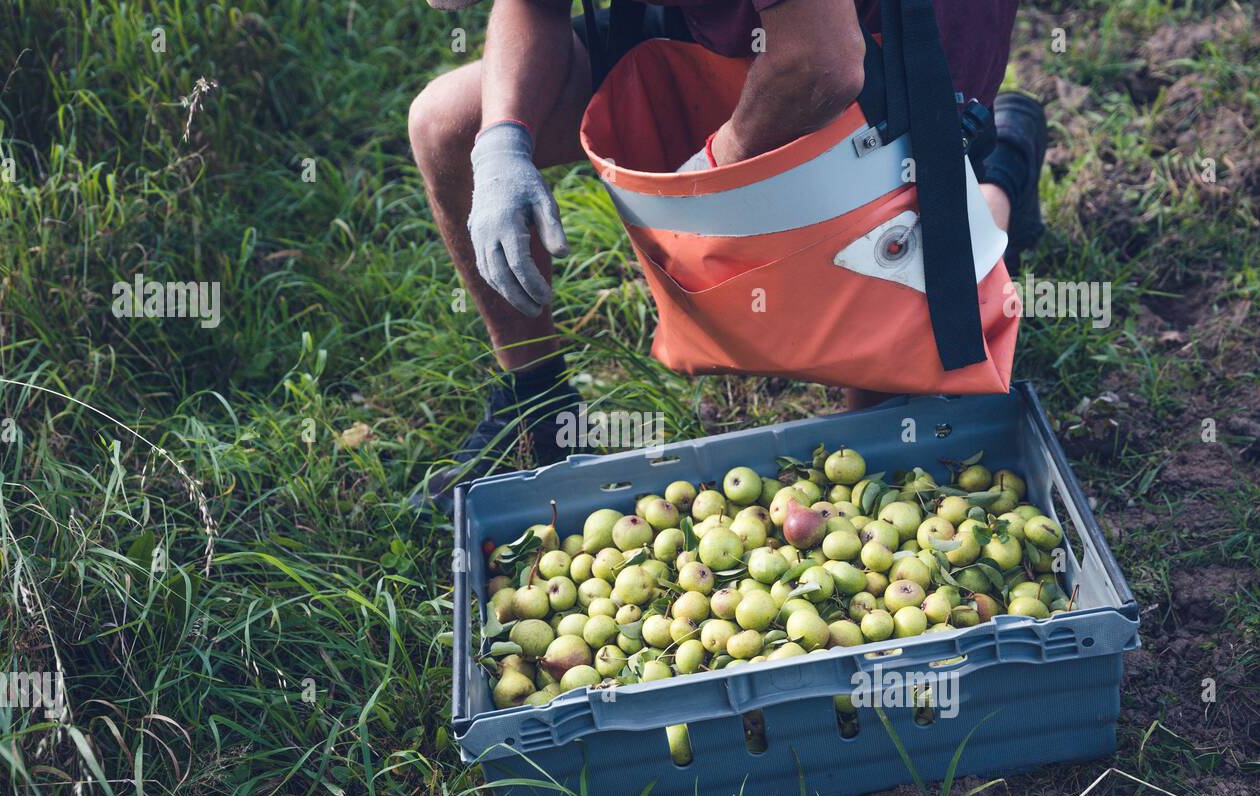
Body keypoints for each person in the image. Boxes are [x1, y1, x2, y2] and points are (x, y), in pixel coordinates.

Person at [409, 0, 1047, 515]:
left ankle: (999, 174)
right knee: (448, 124)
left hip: (878, 40)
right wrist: (500, 144)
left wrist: (712, 172)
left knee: (878, 428)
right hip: (733, 25)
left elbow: (820, 64)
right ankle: (534, 404)